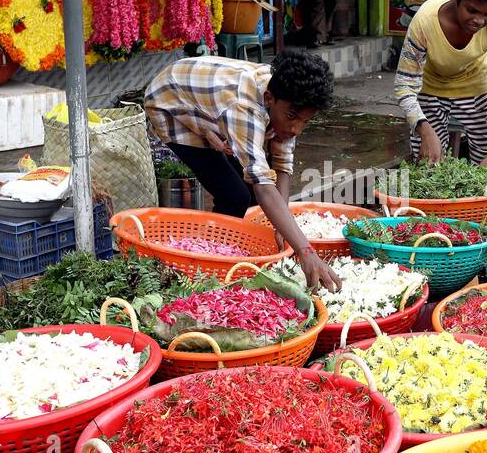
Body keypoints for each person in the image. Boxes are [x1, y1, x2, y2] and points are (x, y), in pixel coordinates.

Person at [144, 51, 341, 291]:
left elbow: (282, 165)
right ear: (269, 99)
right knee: (234, 196)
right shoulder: (244, 108)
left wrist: (284, 226)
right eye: (292, 118)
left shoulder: (288, 98)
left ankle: (241, 251)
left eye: (305, 121)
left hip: (203, 95)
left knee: (253, 192)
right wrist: (305, 251)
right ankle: (210, 266)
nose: (296, 129)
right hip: (168, 103)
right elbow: (263, 186)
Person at [394, 0, 487, 167]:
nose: (479, 21)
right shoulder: (425, 20)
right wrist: (424, 130)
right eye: (472, 11)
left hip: (477, 89)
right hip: (431, 89)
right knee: (427, 164)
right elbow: (404, 85)